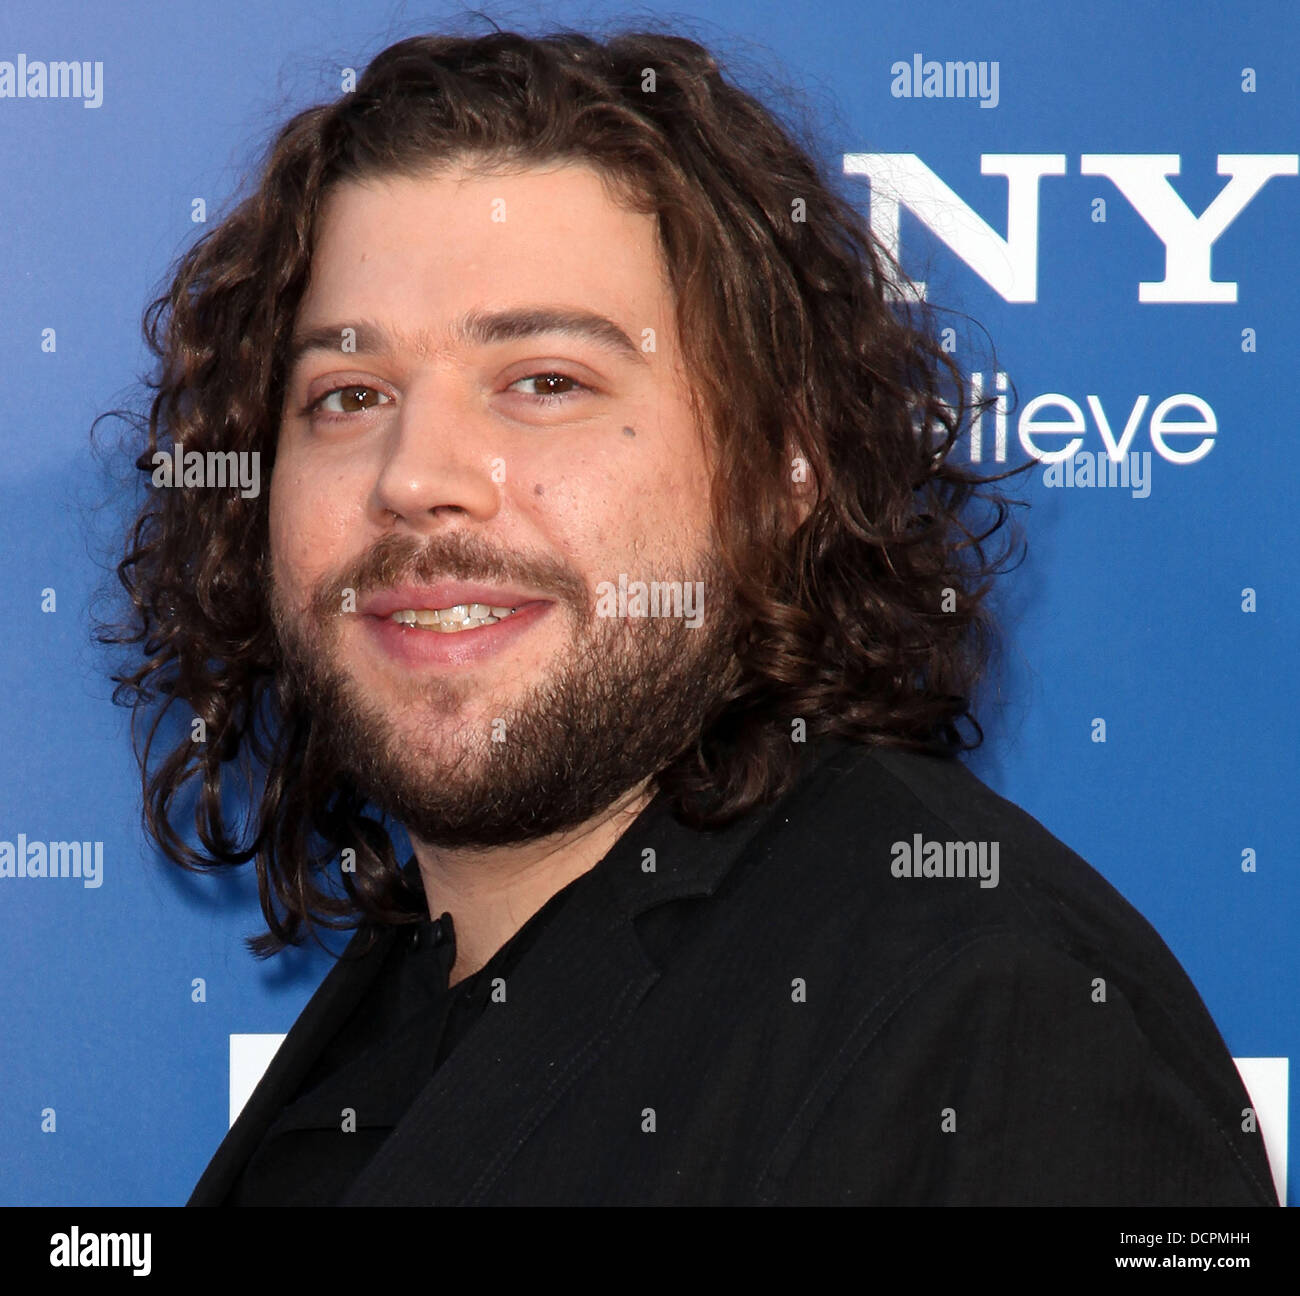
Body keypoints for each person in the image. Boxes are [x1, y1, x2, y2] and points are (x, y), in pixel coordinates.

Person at [100, 28, 1277, 1206]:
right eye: (349, 396)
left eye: (545, 382)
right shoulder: (397, 1012)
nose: (416, 475)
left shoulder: (993, 1018)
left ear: (780, 466)